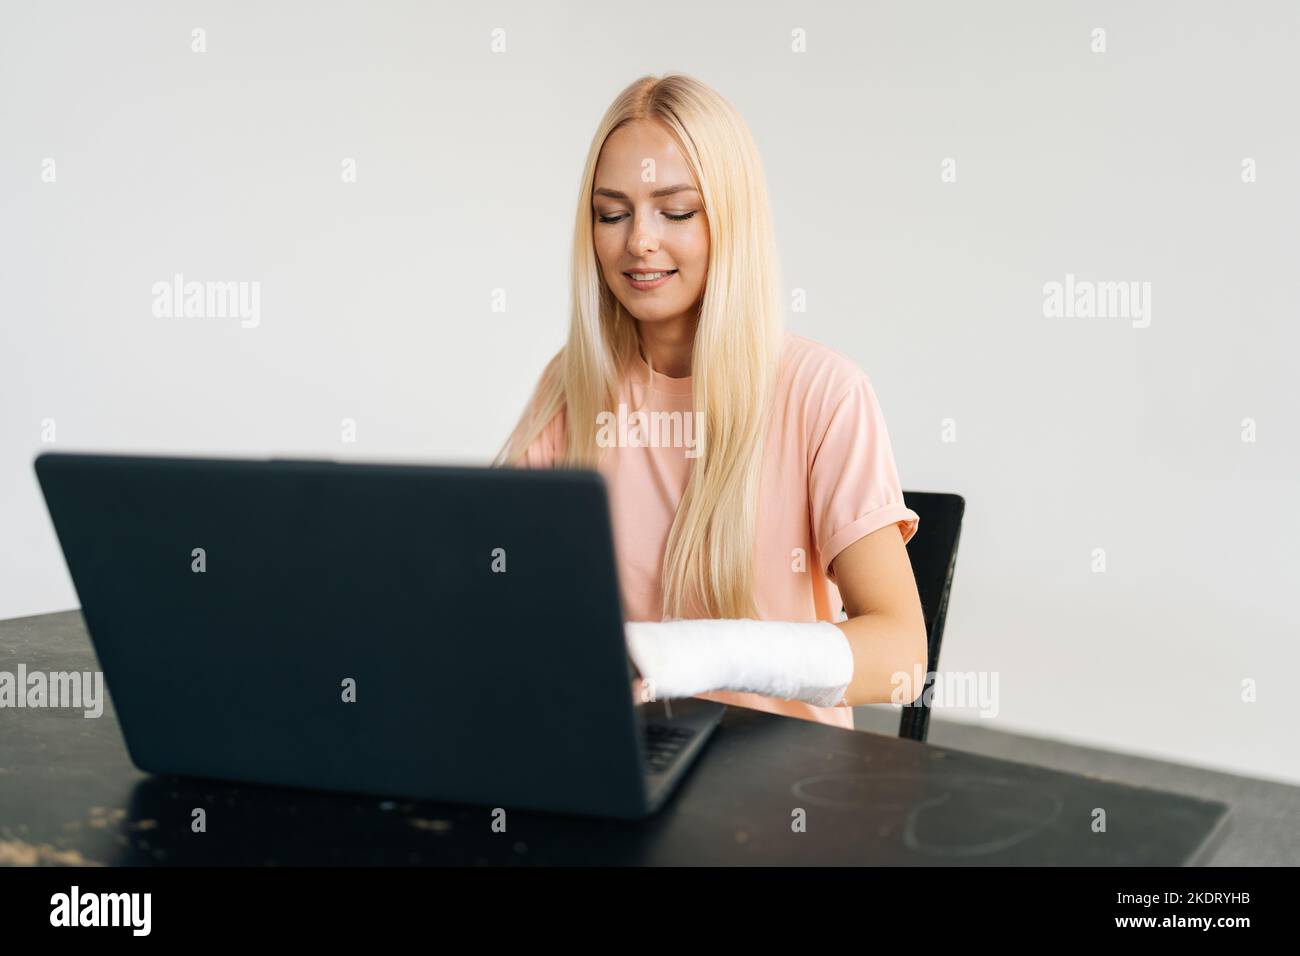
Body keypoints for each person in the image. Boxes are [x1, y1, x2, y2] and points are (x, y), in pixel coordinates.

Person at [496, 73, 925, 730]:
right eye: (612, 213)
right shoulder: (573, 384)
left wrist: (690, 653)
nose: (639, 240)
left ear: (730, 218)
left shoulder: (824, 392)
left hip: (780, 792)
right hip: (625, 756)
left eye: (676, 211)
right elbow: (487, 574)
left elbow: (902, 658)